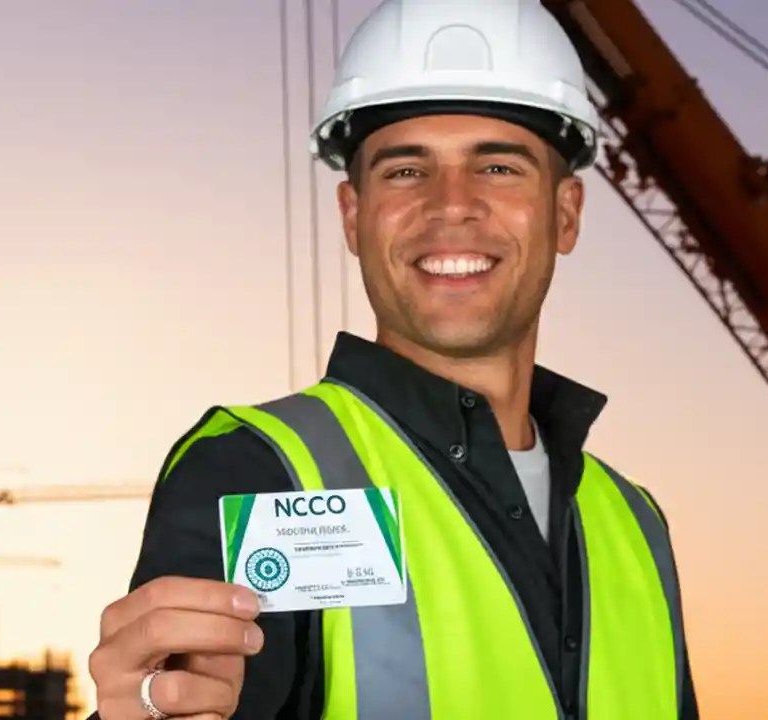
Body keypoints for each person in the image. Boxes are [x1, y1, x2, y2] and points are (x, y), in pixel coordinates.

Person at [88, 0, 699, 717]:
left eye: (498, 166)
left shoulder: (634, 522)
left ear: (566, 214)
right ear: (353, 215)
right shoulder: (261, 476)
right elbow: (179, 697)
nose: (452, 206)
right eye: (407, 172)